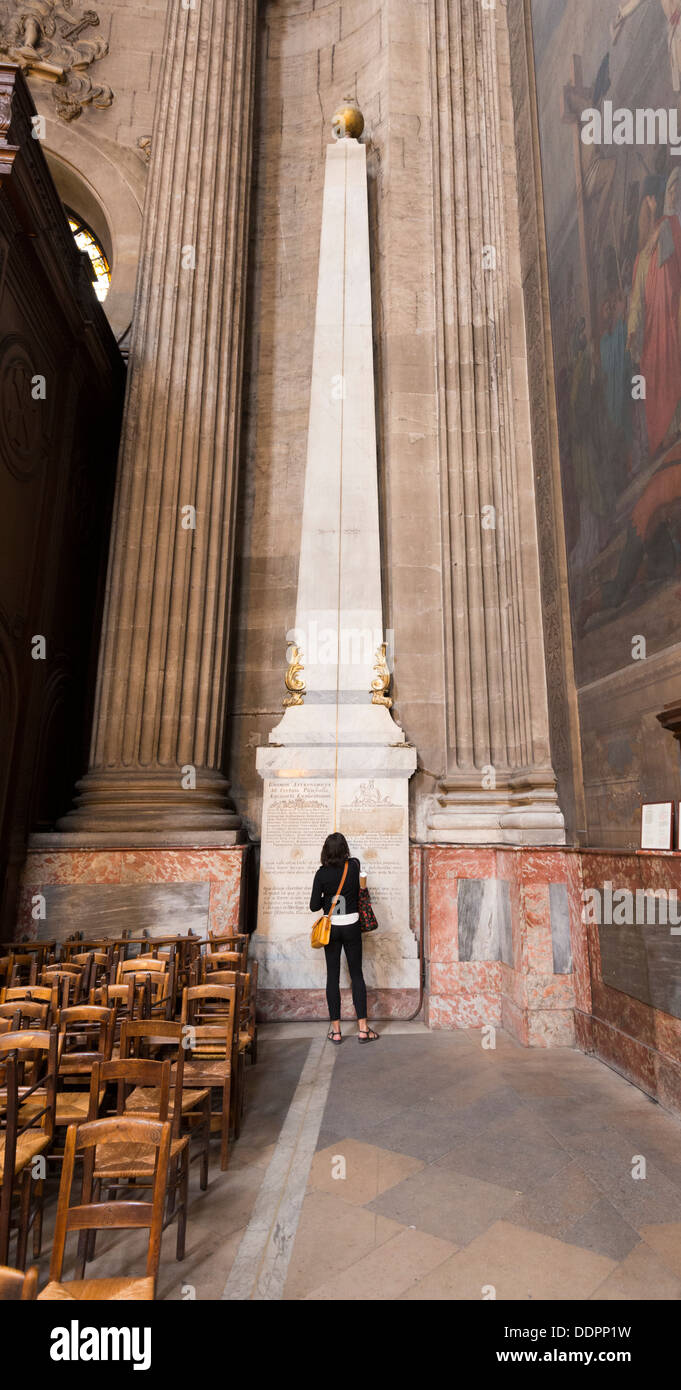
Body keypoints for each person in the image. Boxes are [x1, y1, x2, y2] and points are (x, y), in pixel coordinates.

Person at [310, 832, 378, 1045]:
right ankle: (363, 1029)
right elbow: (361, 890)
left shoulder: (321, 874)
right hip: (352, 926)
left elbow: (313, 906)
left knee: (333, 976)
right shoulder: (354, 866)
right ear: (345, 849)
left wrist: (327, 900)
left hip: (332, 929)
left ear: (325, 851)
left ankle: (336, 1031)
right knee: (356, 975)